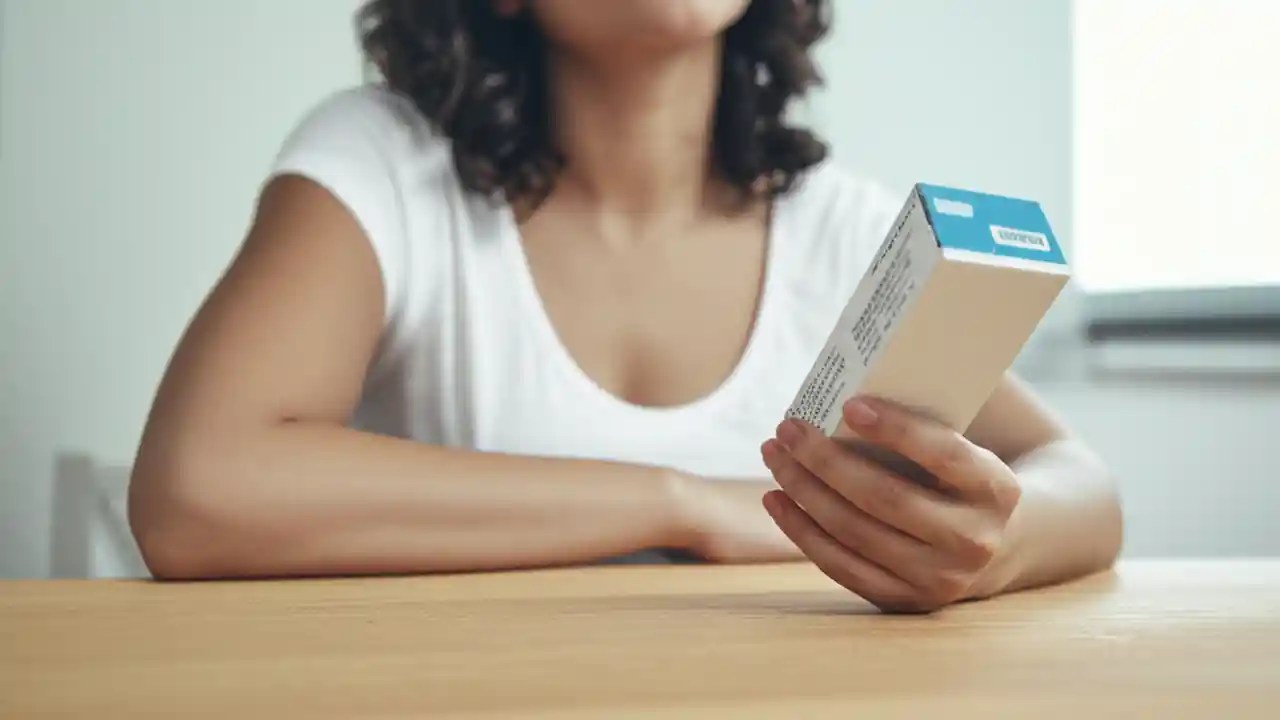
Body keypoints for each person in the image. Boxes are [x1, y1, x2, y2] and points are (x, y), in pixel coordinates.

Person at [129, 0, 1121, 612]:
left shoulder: (844, 231)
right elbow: (197, 494)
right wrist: (681, 502)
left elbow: (1082, 484)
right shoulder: (382, 163)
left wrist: (987, 551)